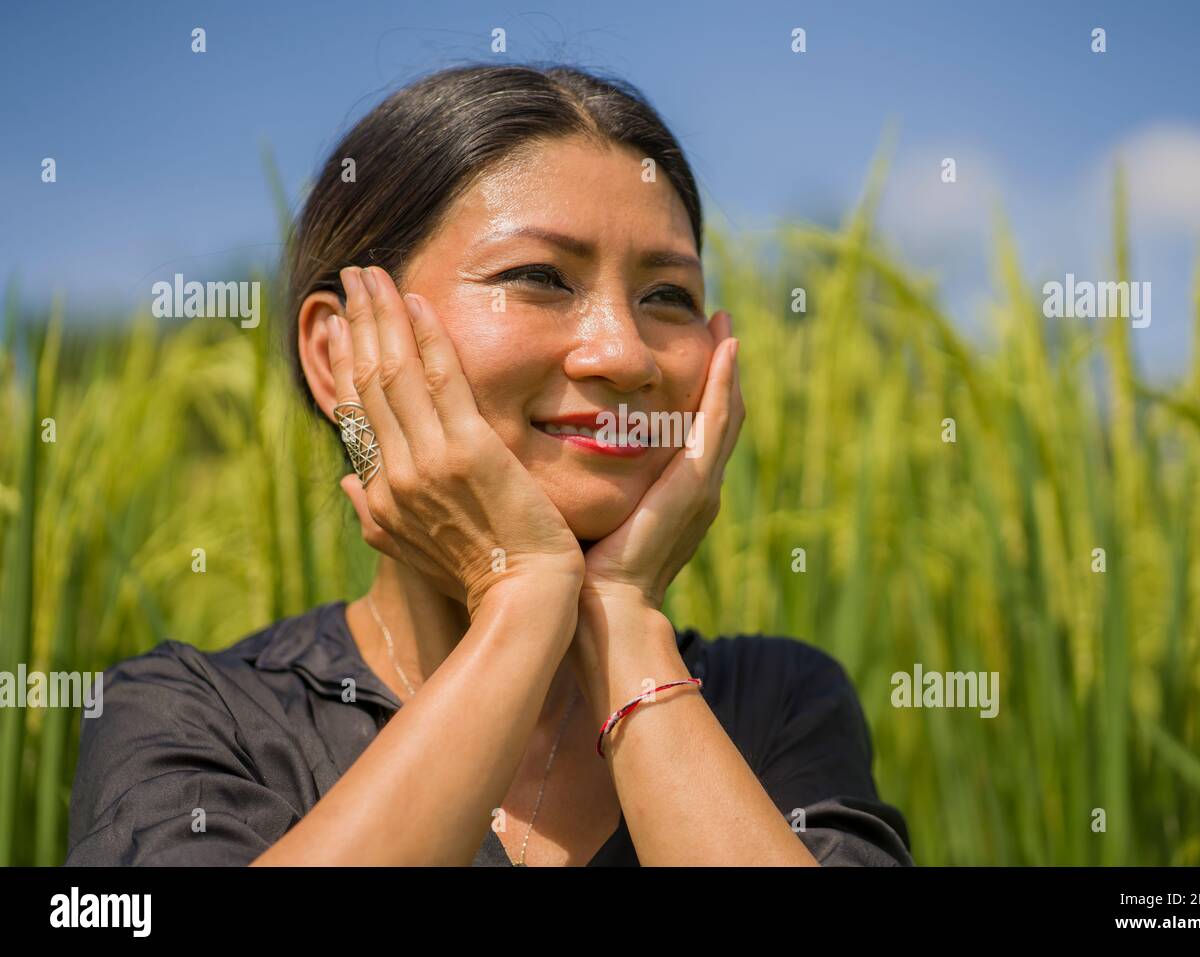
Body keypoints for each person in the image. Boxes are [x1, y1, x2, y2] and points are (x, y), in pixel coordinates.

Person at [65, 63, 913, 867]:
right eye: (540, 276)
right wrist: (521, 601)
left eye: (668, 296)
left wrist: (619, 620)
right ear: (343, 354)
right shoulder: (195, 714)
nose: (625, 354)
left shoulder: (772, 706)